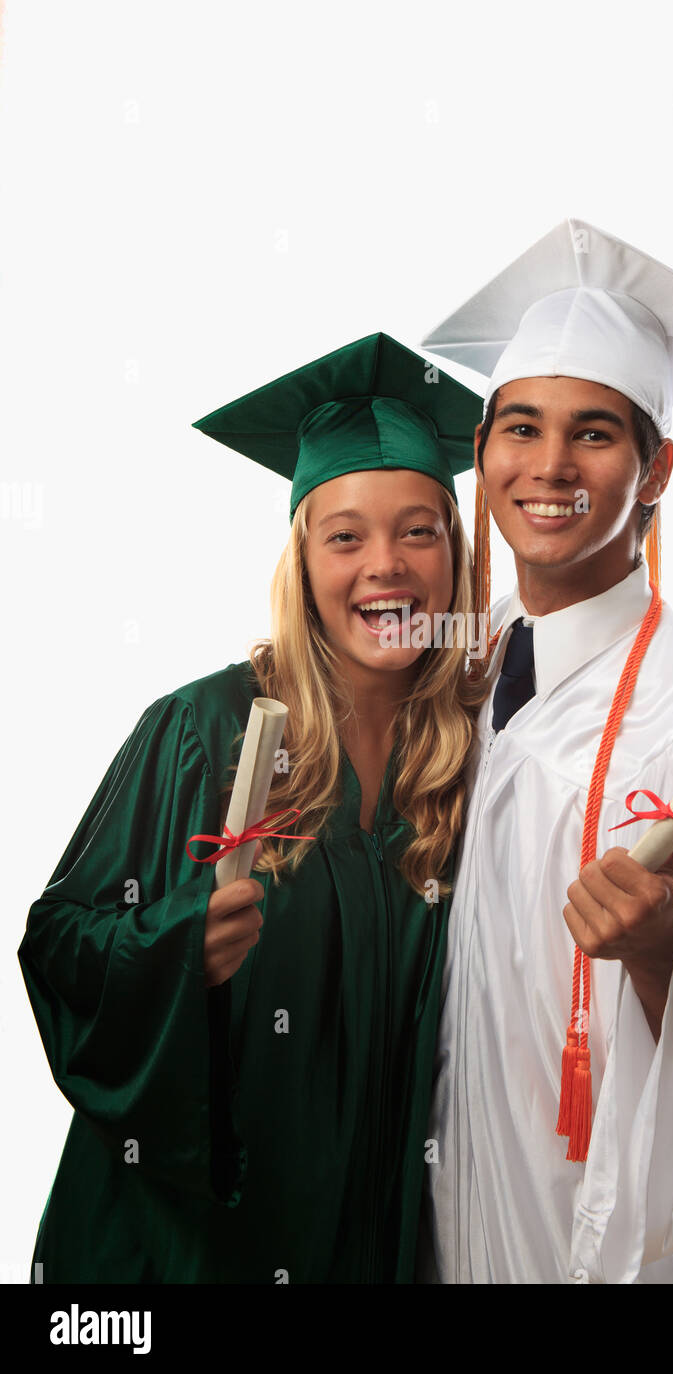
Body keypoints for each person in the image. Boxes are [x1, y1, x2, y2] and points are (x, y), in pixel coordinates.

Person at [18, 331, 489, 1284]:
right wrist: (170, 943)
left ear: (454, 552)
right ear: (304, 561)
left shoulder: (473, 763)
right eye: (345, 535)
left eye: (418, 530)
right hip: (191, 1245)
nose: (384, 566)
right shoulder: (203, 730)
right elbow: (57, 940)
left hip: (367, 1237)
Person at [417, 218, 673, 1284]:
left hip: (618, 1229)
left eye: (594, 433)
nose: (548, 465)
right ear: (481, 451)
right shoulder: (473, 657)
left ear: (655, 470)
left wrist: (657, 948)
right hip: (464, 1195)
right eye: (520, 428)